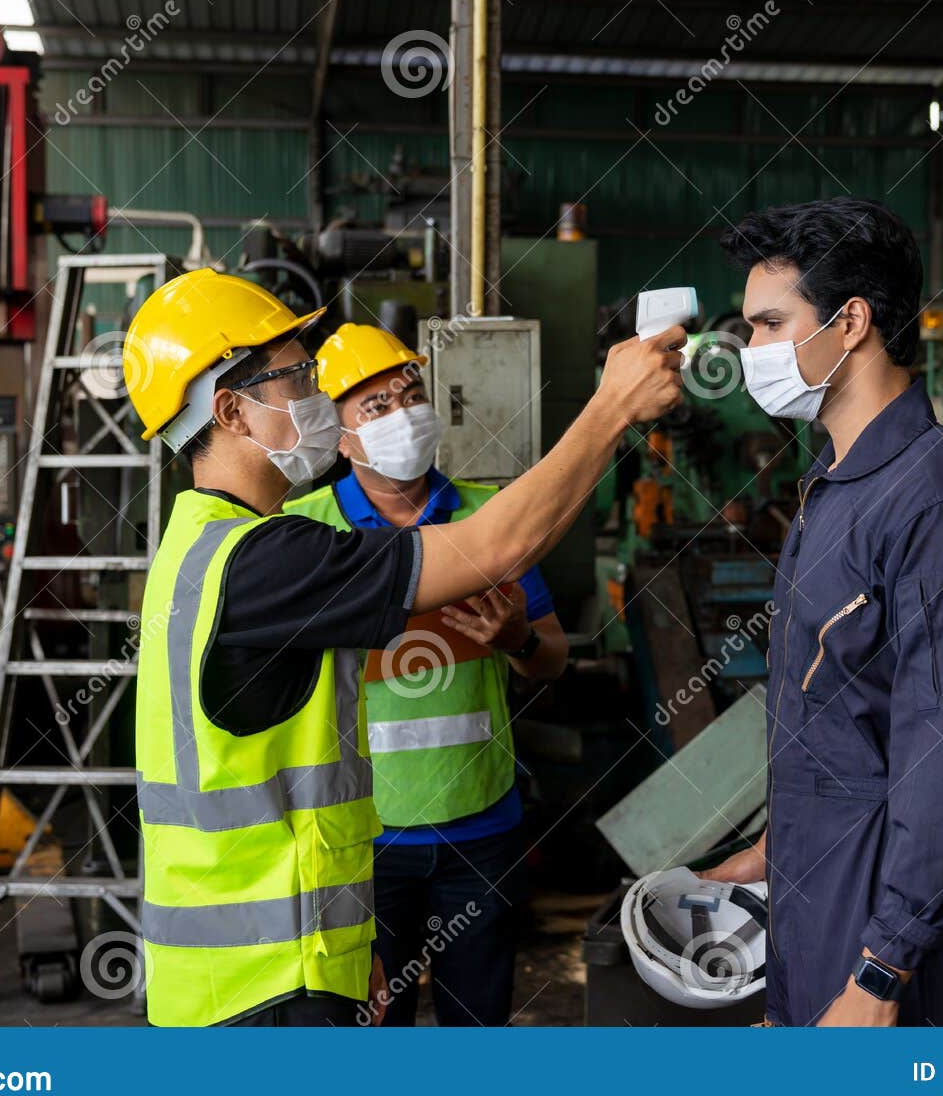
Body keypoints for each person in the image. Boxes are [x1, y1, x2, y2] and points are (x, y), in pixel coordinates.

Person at [123, 270, 683, 1027]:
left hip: (263, 967)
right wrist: (612, 406)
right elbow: (497, 546)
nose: (315, 398)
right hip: (266, 988)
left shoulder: (201, 545)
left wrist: (348, 940)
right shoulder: (266, 560)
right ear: (230, 410)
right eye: (297, 378)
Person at [698, 199, 943, 1027]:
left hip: (897, 960)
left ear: (850, 323)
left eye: (770, 324)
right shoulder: (837, 484)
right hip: (824, 910)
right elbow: (845, 714)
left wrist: (881, 972)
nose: (752, 351)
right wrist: (781, 845)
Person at [284, 324, 566, 1026]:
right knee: (375, 1031)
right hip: (359, 842)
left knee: (478, 1026)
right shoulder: (304, 533)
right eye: (376, 406)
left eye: (411, 396)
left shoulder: (490, 520)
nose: (403, 415)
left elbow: (553, 659)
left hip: (481, 831)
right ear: (338, 436)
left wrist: (518, 638)